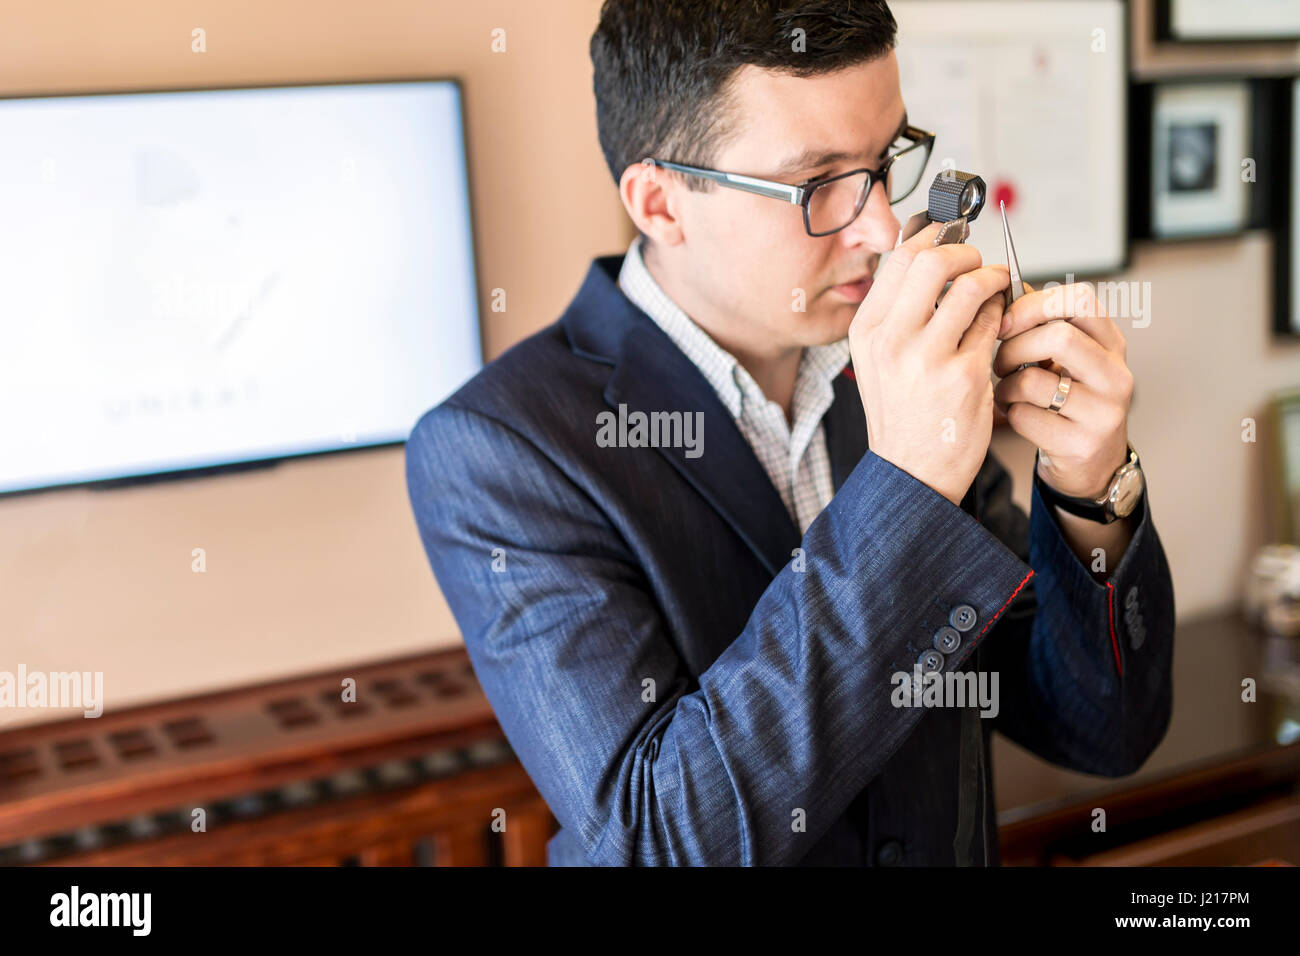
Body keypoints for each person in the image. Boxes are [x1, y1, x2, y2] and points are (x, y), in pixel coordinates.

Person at [404, 0, 1174, 866]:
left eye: (886, 162)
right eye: (819, 185)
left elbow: (1100, 731)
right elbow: (663, 839)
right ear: (660, 203)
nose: (883, 226)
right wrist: (907, 487)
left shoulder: (892, 365)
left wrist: (1088, 486)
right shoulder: (498, 451)